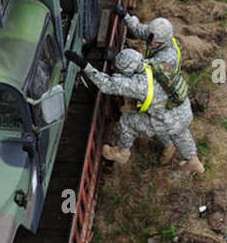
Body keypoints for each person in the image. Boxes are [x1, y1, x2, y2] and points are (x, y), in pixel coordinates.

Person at [70, 46, 204, 175]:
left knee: (127, 121)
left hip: (166, 121)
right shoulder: (152, 64)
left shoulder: (139, 84)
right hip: (183, 111)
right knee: (180, 132)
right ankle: (193, 160)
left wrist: (84, 65)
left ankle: (121, 153)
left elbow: (107, 85)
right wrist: (115, 59)